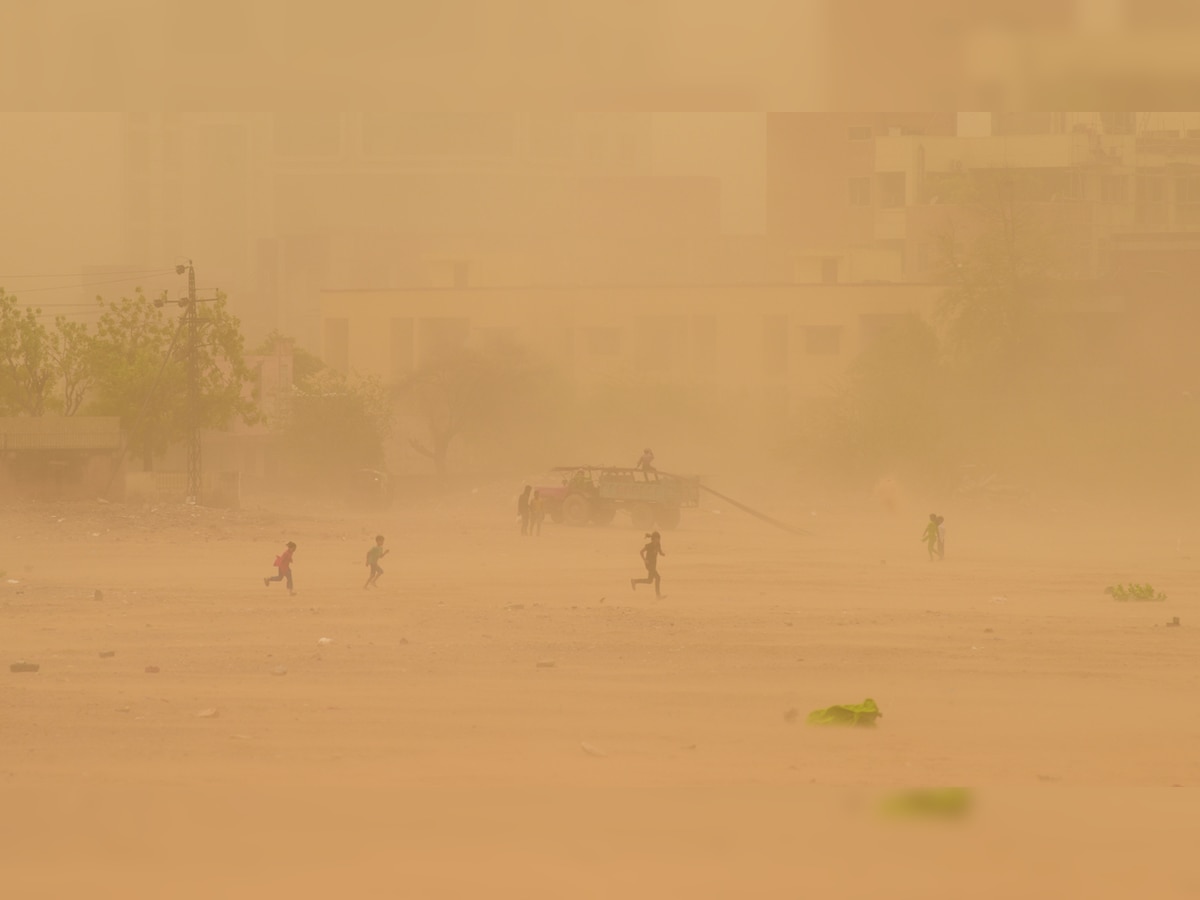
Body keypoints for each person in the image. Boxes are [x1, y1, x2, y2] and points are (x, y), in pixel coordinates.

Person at [630, 531, 666, 598]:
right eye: (657, 539)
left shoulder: (658, 544)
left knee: (649, 581)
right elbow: (641, 552)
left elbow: (660, 552)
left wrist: (662, 554)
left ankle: (634, 581)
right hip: (649, 564)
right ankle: (658, 595)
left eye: (659, 539)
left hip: (654, 564)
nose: (658, 540)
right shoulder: (649, 546)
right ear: (654, 539)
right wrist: (644, 560)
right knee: (658, 577)